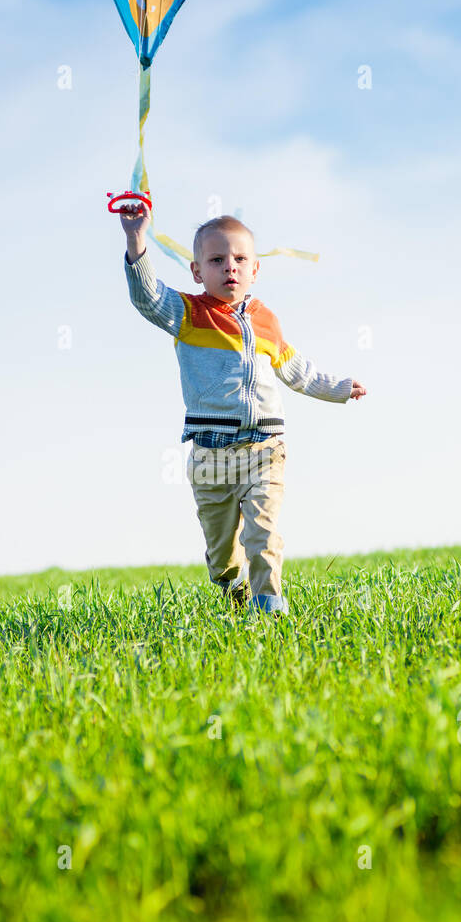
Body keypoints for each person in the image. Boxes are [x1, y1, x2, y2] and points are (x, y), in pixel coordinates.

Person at [120, 201, 366, 616]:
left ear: (255, 269)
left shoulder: (266, 319)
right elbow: (147, 297)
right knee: (223, 558)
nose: (229, 267)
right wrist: (136, 239)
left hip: (263, 449)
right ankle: (234, 593)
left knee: (263, 533)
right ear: (198, 272)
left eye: (239, 259)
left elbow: (297, 370)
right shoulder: (189, 314)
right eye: (216, 260)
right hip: (210, 457)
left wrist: (339, 388)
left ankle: (269, 605)